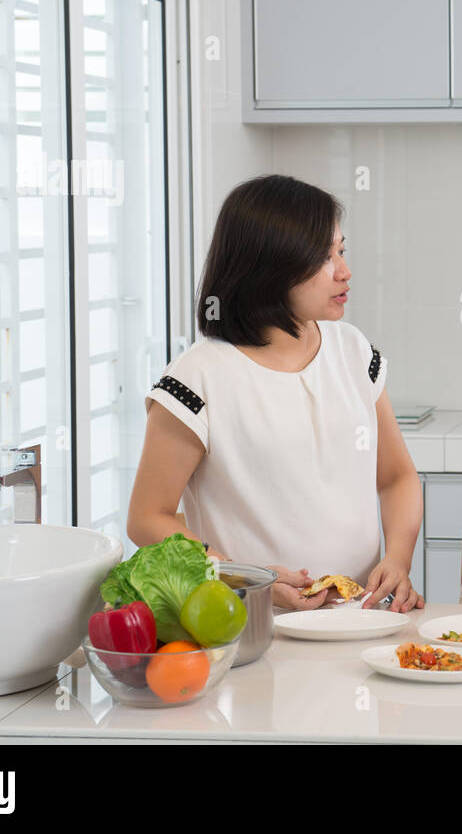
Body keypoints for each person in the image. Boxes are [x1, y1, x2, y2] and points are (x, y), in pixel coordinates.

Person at [126, 174, 424, 613]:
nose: (344, 271)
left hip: (359, 618)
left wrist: (398, 558)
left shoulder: (353, 351)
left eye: (341, 250)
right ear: (270, 266)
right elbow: (147, 518)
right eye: (324, 258)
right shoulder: (197, 378)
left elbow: (396, 477)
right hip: (252, 623)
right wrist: (243, 578)